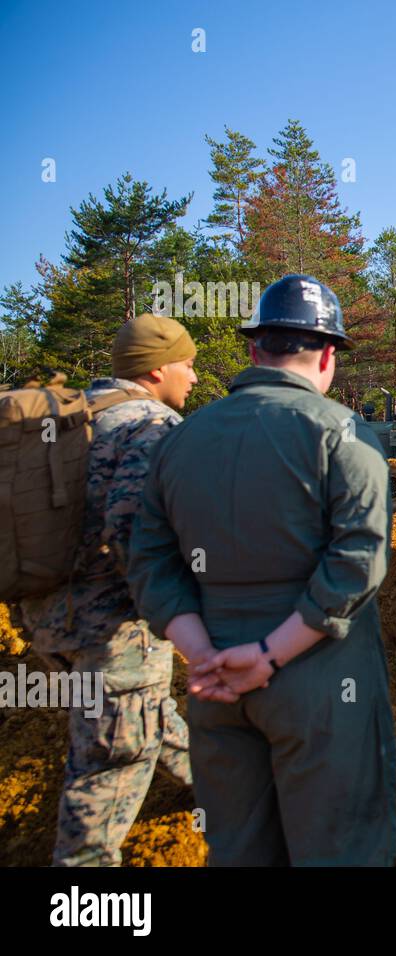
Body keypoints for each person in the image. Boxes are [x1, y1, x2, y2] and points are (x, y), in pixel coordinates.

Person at [127, 274, 396, 866]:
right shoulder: (342, 433)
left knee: (241, 850)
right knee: (341, 849)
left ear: (255, 350)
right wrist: (270, 655)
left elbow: (148, 559)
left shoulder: (182, 438)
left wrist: (201, 651)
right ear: (328, 354)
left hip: (214, 679)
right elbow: (358, 563)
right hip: (320, 678)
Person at [20, 313, 198, 866]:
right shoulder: (149, 426)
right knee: (109, 768)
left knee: (145, 715)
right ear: (155, 369)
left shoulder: (79, 415)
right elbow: (133, 537)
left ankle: (222, 782)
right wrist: (185, 616)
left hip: (50, 616)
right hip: (116, 632)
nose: (192, 377)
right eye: (187, 365)